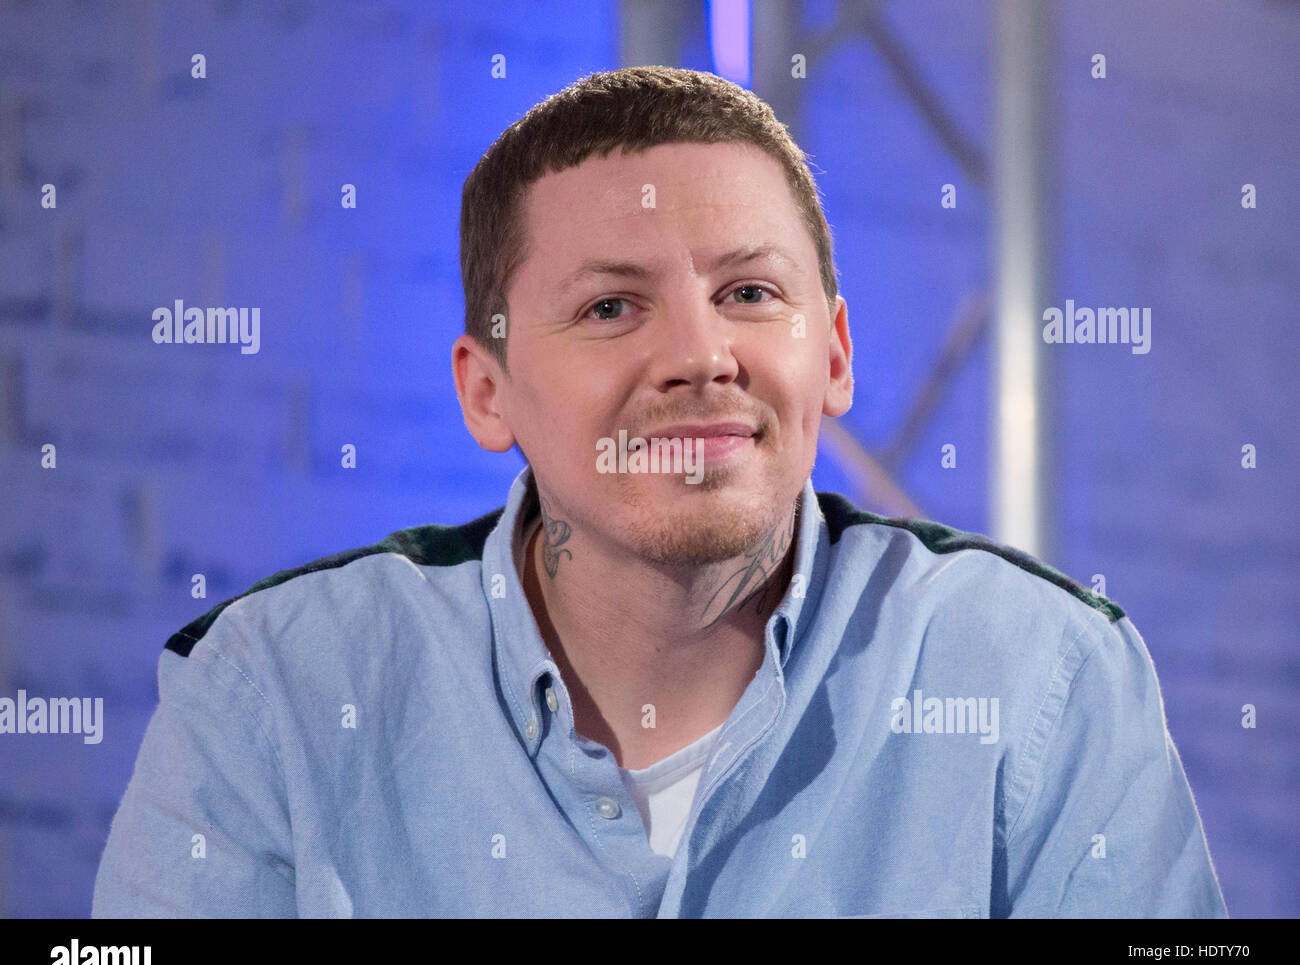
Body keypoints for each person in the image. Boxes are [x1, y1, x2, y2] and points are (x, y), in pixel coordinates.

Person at [93, 66, 1228, 918]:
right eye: (609, 307)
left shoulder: (1045, 671)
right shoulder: (271, 692)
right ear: (486, 393)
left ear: (833, 354)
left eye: (747, 291)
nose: (700, 356)